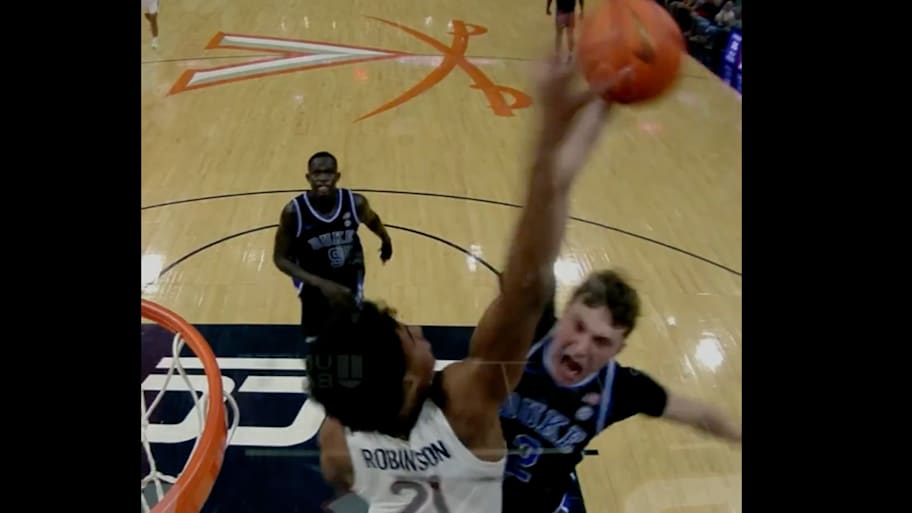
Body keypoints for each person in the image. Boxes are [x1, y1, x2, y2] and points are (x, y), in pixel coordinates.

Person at [311, 59, 620, 513]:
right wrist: (547, 155)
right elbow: (528, 291)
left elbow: (345, 492)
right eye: (407, 335)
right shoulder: (466, 407)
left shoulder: (335, 438)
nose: (415, 327)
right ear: (410, 379)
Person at [500, 270, 742, 513]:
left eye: (601, 341)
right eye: (579, 326)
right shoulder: (532, 334)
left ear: (618, 349)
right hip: (471, 478)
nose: (581, 347)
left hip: (535, 503)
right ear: (565, 314)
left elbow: (701, 414)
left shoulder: (618, 388)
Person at [272, 151, 393, 343]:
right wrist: (322, 284)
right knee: (314, 333)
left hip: (349, 272)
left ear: (337, 176)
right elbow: (280, 258)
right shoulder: (294, 211)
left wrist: (386, 241)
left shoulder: (355, 203)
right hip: (311, 278)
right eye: (317, 173)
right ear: (308, 177)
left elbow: (372, 220)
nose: (322, 179)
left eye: (328, 173)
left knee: (350, 326)